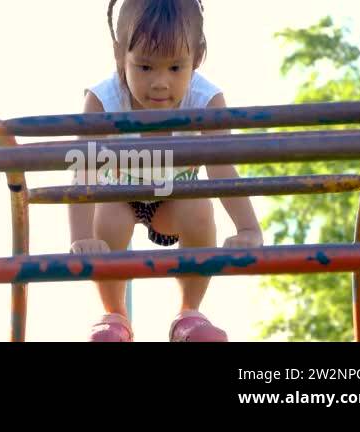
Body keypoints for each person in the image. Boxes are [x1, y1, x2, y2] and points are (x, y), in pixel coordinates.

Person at [69, 0, 263, 342]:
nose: (160, 82)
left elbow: (221, 166)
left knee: (200, 208)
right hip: (120, 194)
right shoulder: (103, 101)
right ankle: (115, 316)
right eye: (144, 67)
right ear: (120, 55)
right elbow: (83, 173)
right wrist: (82, 238)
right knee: (108, 217)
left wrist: (247, 227)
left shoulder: (205, 101)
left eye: (175, 68)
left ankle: (188, 314)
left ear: (197, 57)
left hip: (178, 197)